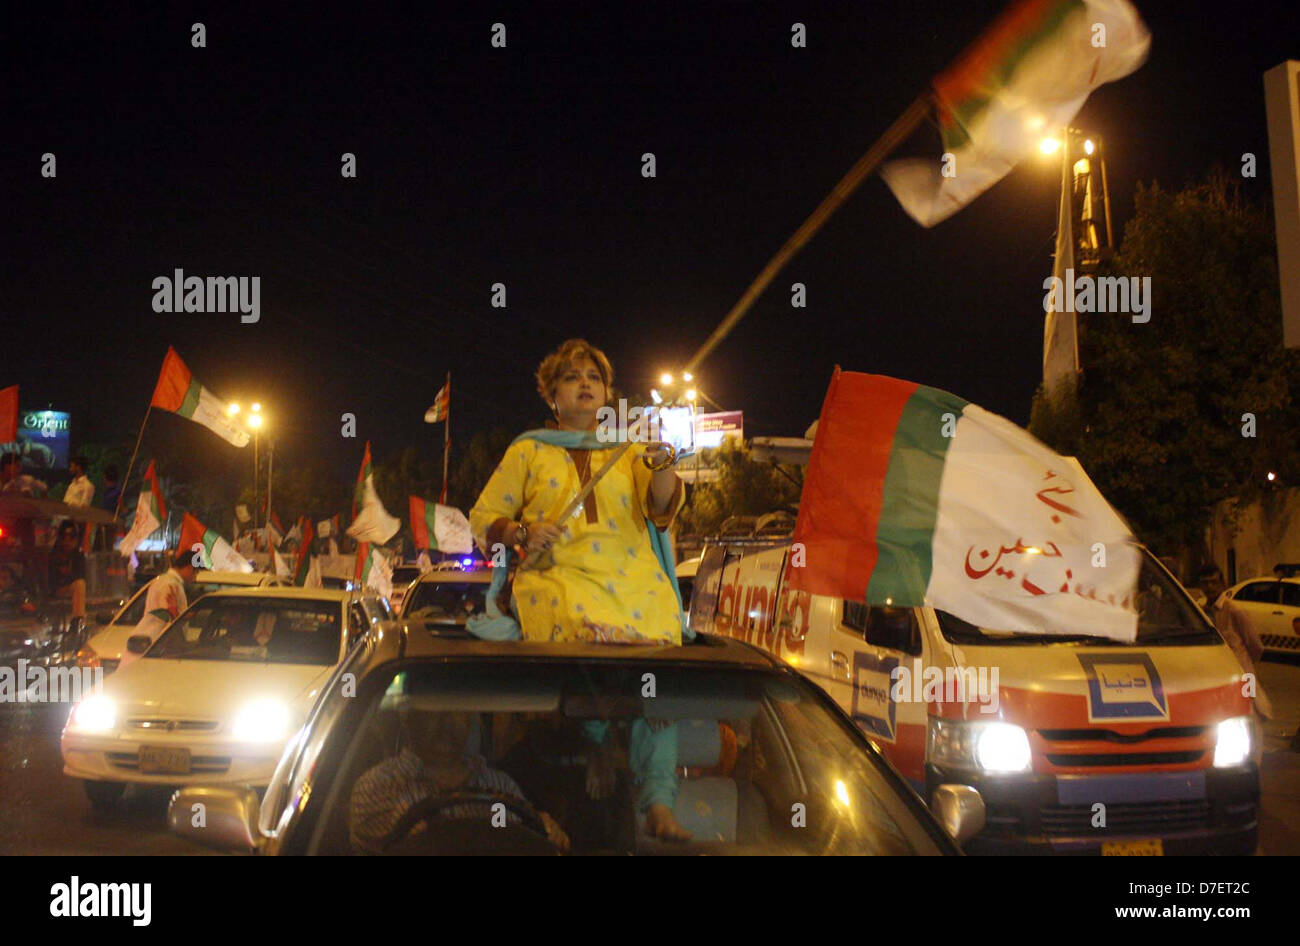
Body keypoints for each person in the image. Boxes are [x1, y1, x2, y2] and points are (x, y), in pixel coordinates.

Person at [469, 338, 691, 840]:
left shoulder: (629, 451)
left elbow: (661, 510)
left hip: (633, 582)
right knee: (582, 644)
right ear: (552, 396)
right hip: (557, 577)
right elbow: (485, 519)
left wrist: (662, 465)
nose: (585, 384)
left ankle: (658, 802)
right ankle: (597, 743)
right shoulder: (529, 449)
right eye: (572, 377)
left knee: (659, 670)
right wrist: (523, 532)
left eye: (594, 377)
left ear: (608, 393)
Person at [349, 709, 570, 854]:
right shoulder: (378, 785)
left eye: (459, 713)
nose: (448, 723)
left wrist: (542, 830)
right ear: (409, 717)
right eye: (435, 712)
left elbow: (513, 836)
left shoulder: (499, 784)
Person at [134, 549, 199, 645]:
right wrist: (187, 615)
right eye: (196, 572)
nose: (195, 577)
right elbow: (168, 617)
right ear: (189, 567)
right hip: (162, 642)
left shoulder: (161, 581)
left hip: (156, 640)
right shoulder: (171, 585)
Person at [47, 522, 87, 631]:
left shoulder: (78, 556)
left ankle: (78, 619)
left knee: (79, 584)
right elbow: (52, 579)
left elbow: (81, 575)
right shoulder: (53, 556)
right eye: (65, 538)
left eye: (71, 539)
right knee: (79, 585)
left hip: (74, 588)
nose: (68, 542)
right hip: (57, 589)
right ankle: (77, 620)